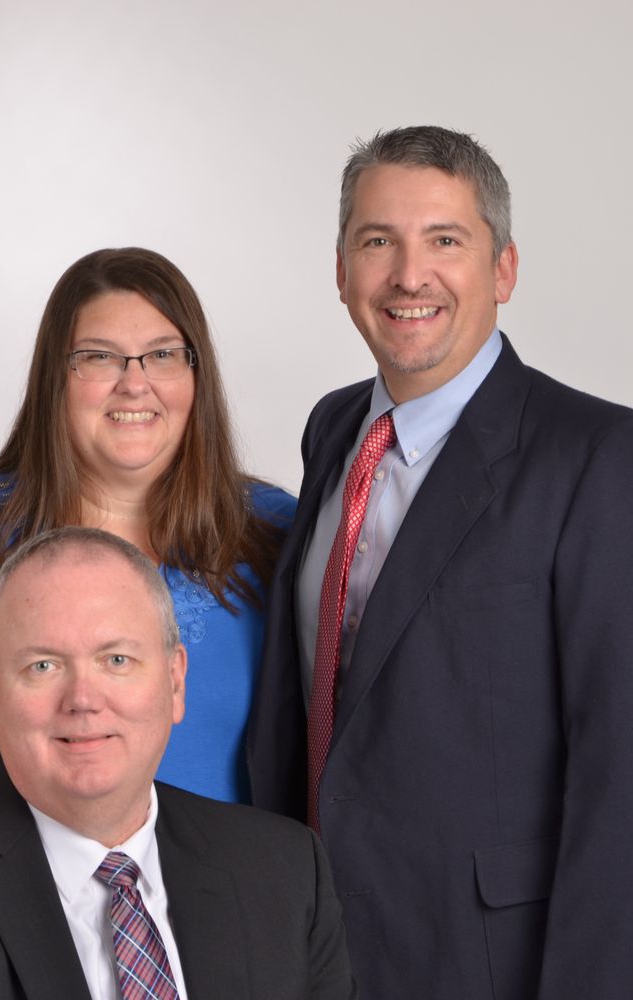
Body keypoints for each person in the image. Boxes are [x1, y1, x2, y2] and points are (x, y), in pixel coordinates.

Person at [249, 124, 633, 1000]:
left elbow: (621, 772)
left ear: (504, 270)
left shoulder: (599, 457)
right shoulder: (335, 429)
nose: (409, 275)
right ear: (341, 270)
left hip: (491, 961)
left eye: (445, 241)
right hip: (315, 946)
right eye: (377, 241)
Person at [0, 526, 356, 999]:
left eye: (117, 659)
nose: (83, 699)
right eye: (43, 666)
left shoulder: (286, 872)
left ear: (175, 681)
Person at [0, 247, 295, 805]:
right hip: (18, 860)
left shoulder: (272, 530)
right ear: (56, 377)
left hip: (236, 859)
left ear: (197, 373)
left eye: (162, 355)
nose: (134, 384)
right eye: (99, 357)